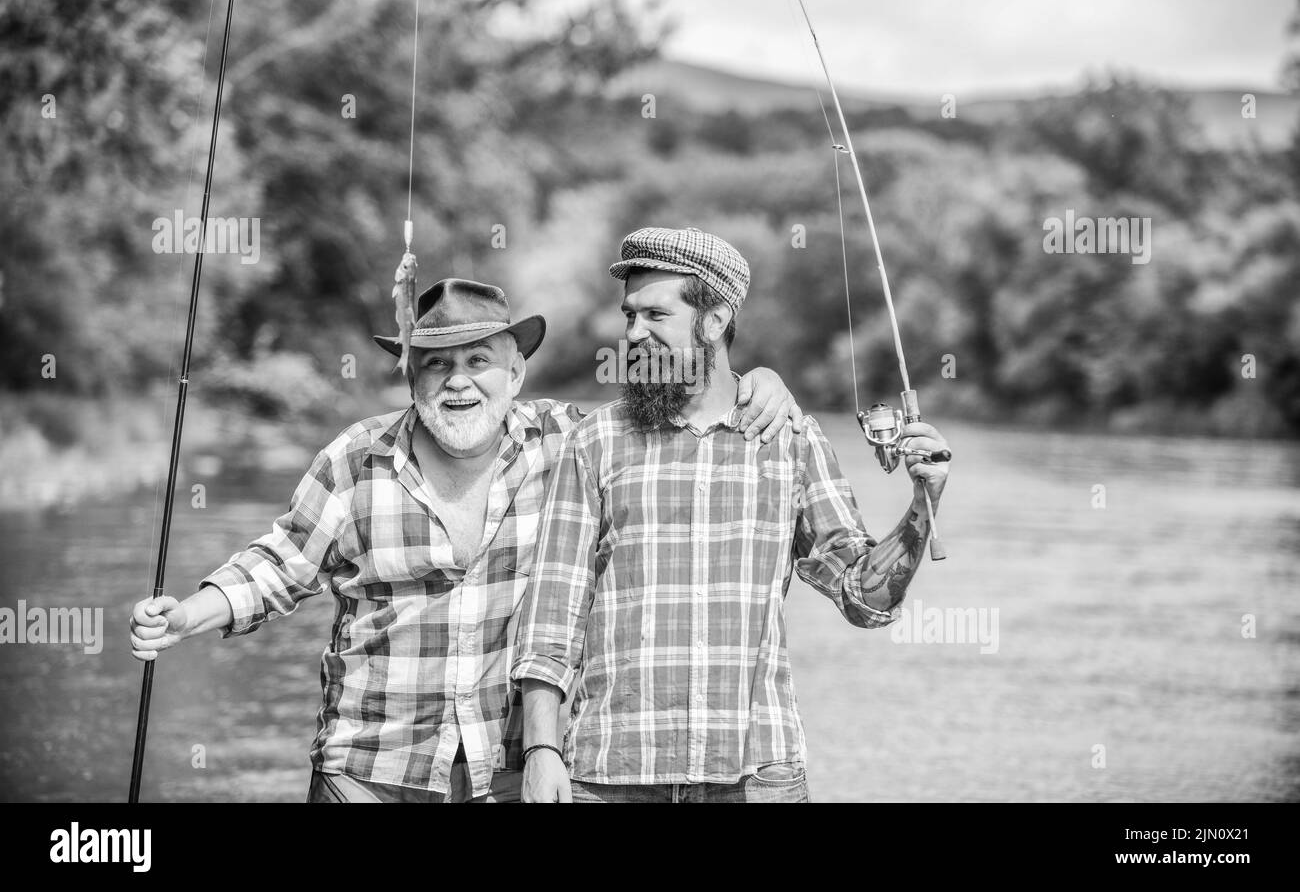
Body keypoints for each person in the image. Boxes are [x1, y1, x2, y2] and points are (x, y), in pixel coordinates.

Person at [128, 276, 802, 803]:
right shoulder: (355, 458)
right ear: (411, 377)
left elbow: (682, 402)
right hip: (367, 769)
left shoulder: (569, 443)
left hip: (508, 772)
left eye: (479, 359)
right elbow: (278, 564)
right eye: (435, 364)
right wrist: (188, 613)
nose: (457, 380)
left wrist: (759, 383)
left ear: (515, 375)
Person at [512, 227, 952, 803]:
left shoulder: (791, 439)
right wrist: (541, 753)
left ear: (715, 319)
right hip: (610, 775)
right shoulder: (593, 442)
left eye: (655, 316)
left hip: (756, 778)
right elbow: (552, 619)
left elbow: (865, 601)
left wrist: (924, 504)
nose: (633, 333)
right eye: (629, 316)